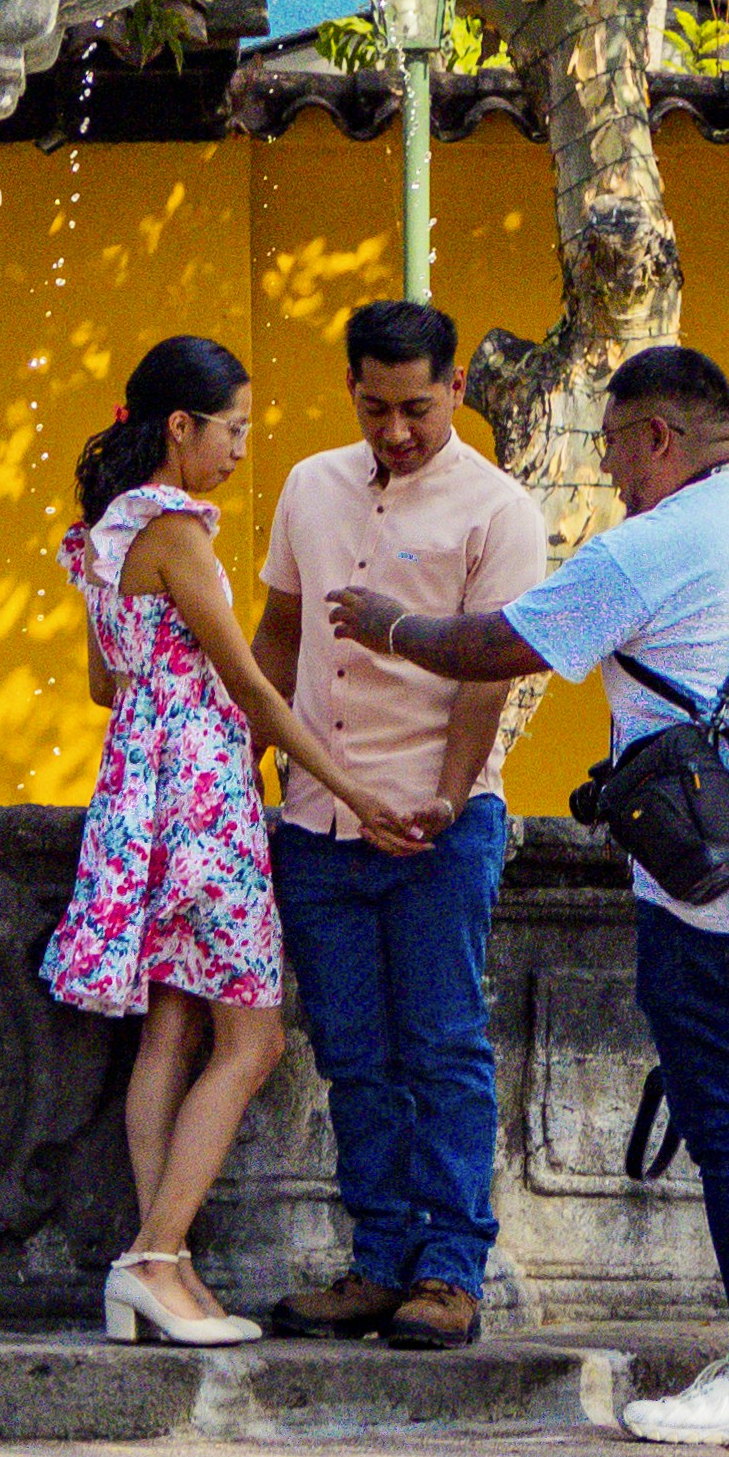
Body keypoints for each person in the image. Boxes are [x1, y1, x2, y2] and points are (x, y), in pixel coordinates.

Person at [330, 342, 729, 1445]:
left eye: (615, 452)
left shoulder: (650, 544)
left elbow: (501, 644)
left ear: (658, 438)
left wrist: (388, 623)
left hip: (726, 893)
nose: (614, 475)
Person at [46, 333, 439, 1348]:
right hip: (203, 791)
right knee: (253, 1039)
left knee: (172, 1030)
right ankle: (151, 1257)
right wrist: (356, 792)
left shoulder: (107, 530)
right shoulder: (175, 529)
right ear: (181, 426)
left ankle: (163, 1265)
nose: (240, 448)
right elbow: (255, 690)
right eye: (233, 428)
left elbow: (105, 682)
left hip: (139, 779)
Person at [251, 299, 549, 1352]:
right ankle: (378, 1260)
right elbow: (279, 637)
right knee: (352, 1051)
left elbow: (489, 674)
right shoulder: (307, 487)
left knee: (444, 1046)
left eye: (417, 407)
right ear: (351, 389)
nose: (395, 431)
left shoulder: (499, 511)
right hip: (317, 821)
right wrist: (244, 763)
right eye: (374, 407)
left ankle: (451, 1270)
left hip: (437, 821)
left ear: (457, 388)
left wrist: (449, 794)